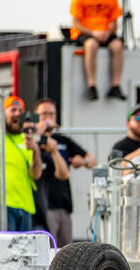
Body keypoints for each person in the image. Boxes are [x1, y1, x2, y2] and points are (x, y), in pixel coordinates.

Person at [34, 98, 95, 247]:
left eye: (52, 114)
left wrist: (82, 161)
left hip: (63, 203)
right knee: (47, 249)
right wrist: (41, 129)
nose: (48, 118)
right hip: (43, 206)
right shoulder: (32, 140)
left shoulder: (62, 140)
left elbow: (92, 160)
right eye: (44, 114)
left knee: (66, 250)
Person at [70, 0, 125, 101]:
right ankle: (91, 85)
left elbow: (115, 22)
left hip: (106, 33)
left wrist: (108, 33)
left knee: (118, 46)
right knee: (91, 45)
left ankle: (116, 85)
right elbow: (76, 23)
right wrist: (94, 33)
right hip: (87, 33)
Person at [3, 95, 43, 232]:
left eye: (20, 111)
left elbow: (35, 174)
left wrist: (35, 150)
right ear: (3, 113)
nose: (17, 114)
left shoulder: (27, 138)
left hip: (25, 206)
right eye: (13, 110)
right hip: (3, 205)